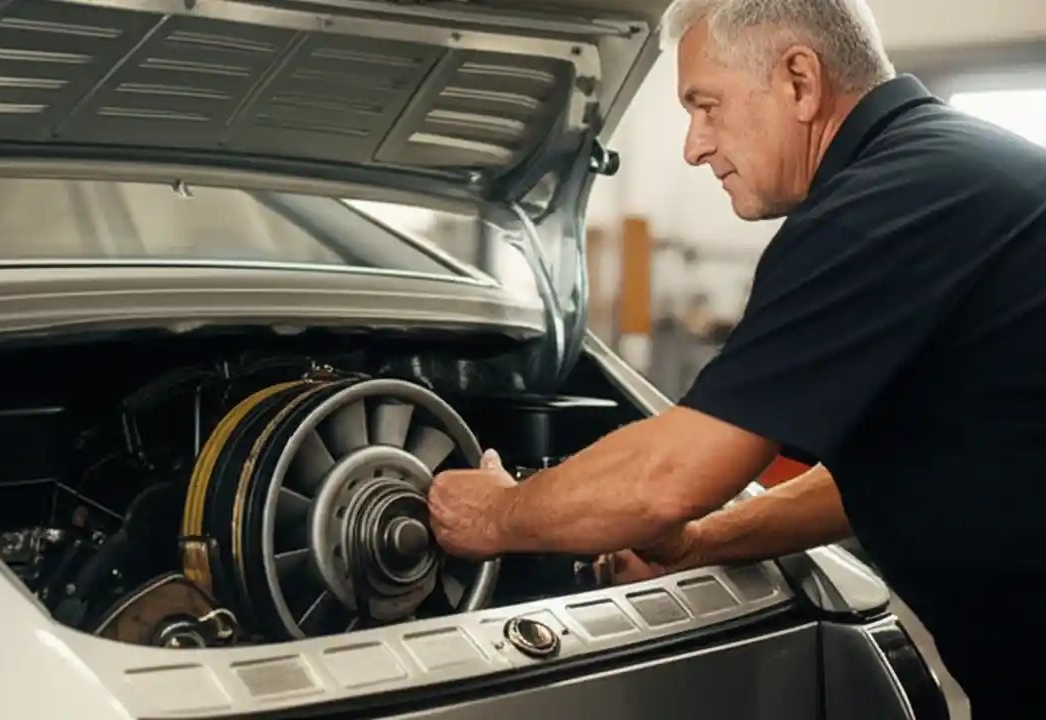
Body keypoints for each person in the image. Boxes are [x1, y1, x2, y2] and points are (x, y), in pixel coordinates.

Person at [427, 0, 1046, 713]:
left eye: (706, 105)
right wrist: (697, 545)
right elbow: (890, 468)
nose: (694, 146)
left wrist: (497, 515)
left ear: (799, 81)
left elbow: (665, 480)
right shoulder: (946, 168)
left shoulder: (880, 207)